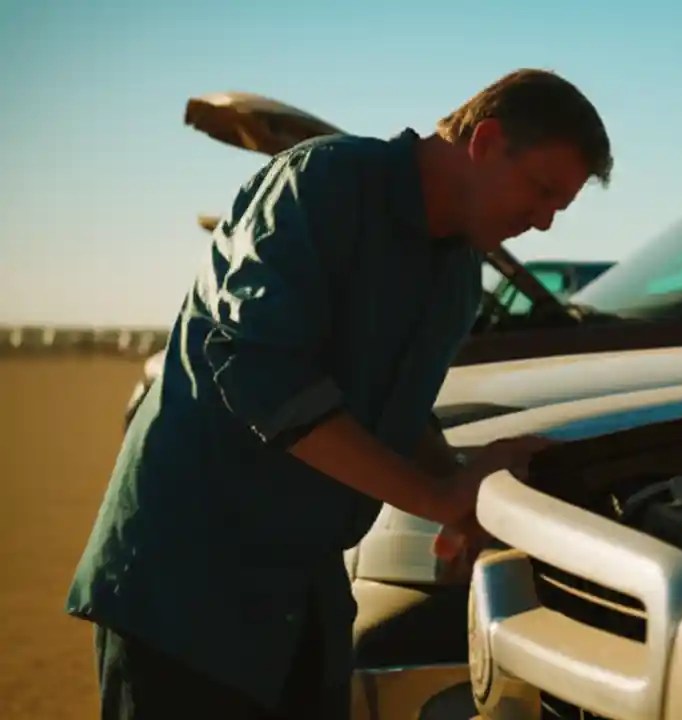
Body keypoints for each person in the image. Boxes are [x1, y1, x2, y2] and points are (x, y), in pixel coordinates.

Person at [66, 68, 613, 719]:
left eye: (560, 208)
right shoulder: (320, 186)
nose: (544, 224)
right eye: (542, 191)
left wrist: (471, 489)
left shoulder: (459, 275)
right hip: (188, 593)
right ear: (487, 141)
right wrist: (436, 497)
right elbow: (265, 378)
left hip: (306, 602)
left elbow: (391, 413)